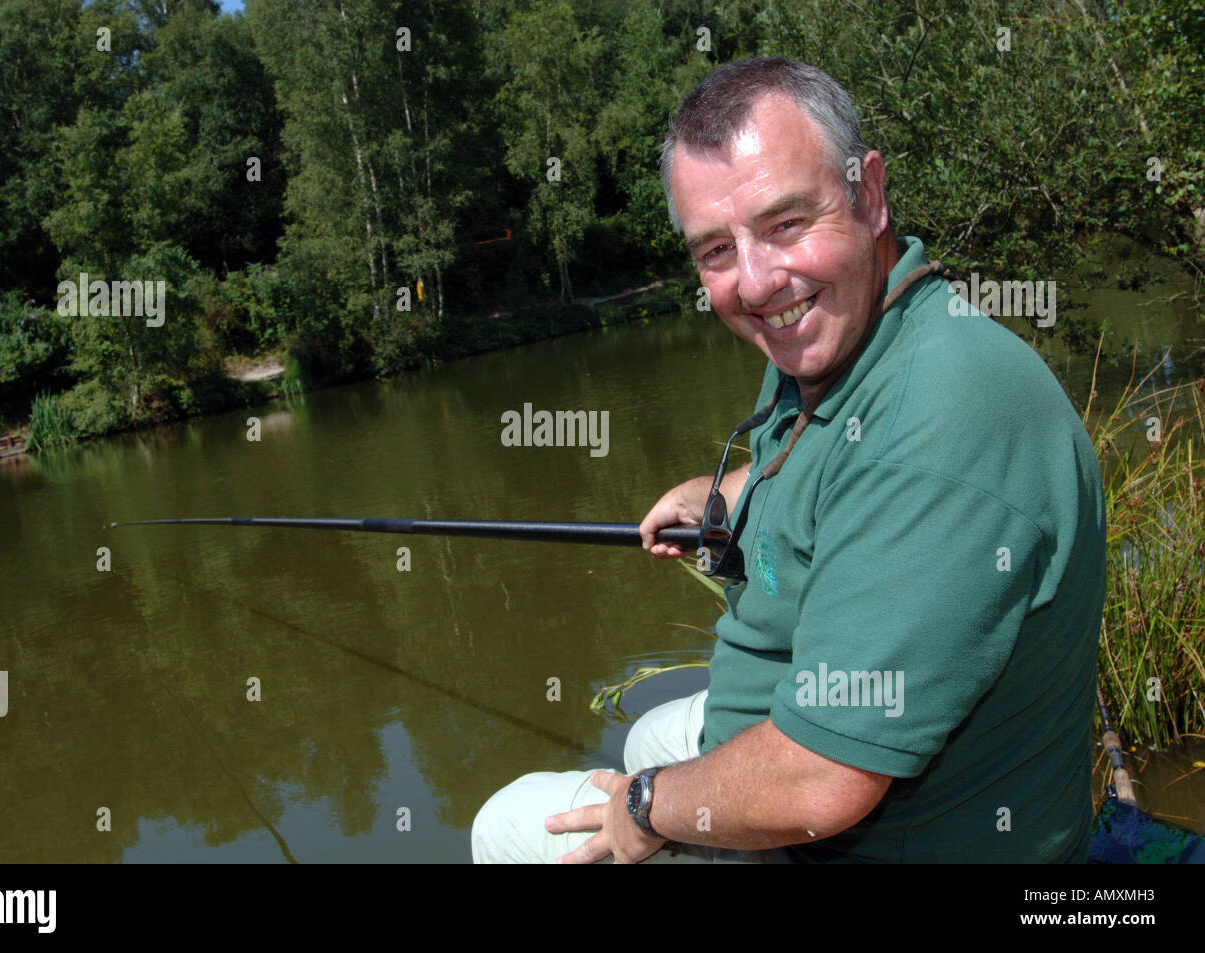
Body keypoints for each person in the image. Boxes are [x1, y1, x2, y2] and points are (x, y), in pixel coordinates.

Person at [471, 58, 1106, 864]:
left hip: (865, 828)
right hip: (805, 725)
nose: (756, 282)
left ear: (870, 194)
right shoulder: (839, 329)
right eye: (716, 249)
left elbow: (819, 781)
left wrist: (647, 804)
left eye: (785, 223)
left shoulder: (942, 421)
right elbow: (834, 469)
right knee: (650, 731)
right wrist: (724, 493)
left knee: (502, 821)